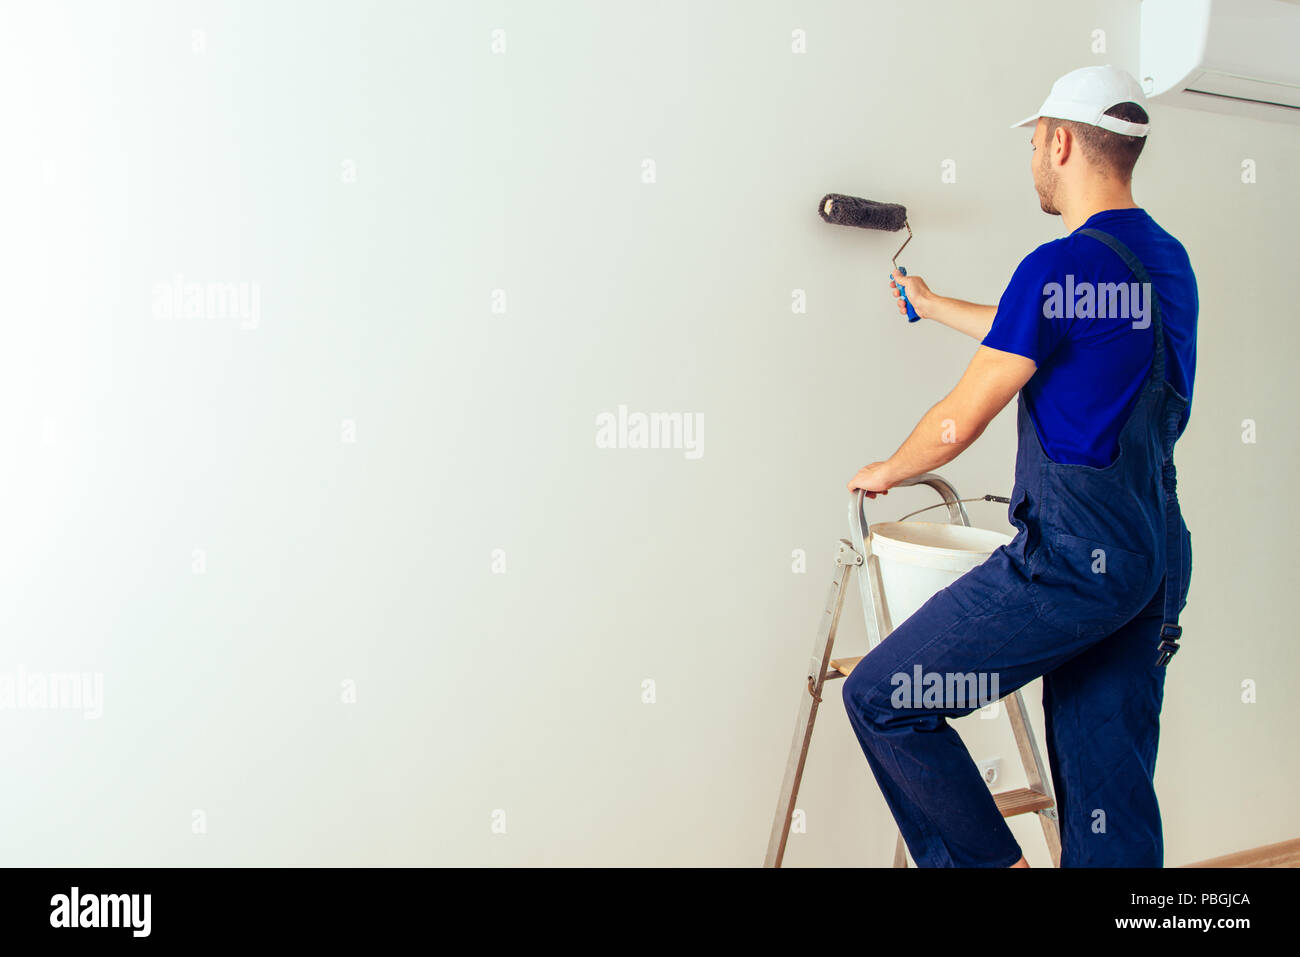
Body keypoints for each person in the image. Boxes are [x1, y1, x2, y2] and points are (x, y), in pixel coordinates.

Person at [843, 64, 1197, 867]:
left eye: (1035, 141)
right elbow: (1049, 329)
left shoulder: (1057, 264)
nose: (1033, 157)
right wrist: (934, 304)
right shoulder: (1166, 262)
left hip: (1070, 561)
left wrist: (890, 468)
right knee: (1108, 800)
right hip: (1151, 557)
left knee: (884, 698)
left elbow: (958, 421)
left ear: (1061, 142)